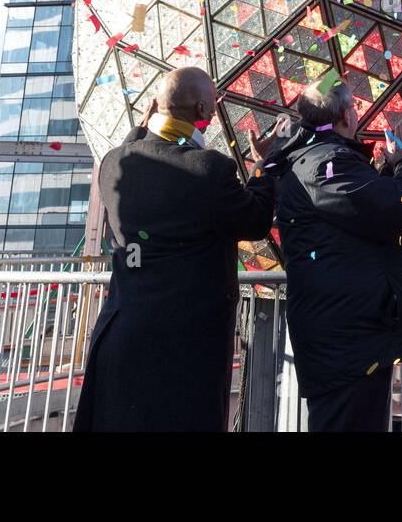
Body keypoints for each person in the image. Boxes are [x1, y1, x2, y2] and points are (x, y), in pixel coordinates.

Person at [74, 66, 282, 432]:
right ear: (205, 111)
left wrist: (141, 127)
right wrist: (264, 168)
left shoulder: (112, 164)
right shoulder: (208, 170)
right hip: (184, 352)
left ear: (155, 105)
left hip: (121, 338)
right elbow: (255, 220)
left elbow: (130, 151)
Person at [271, 77, 402, 432]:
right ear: (346, 115)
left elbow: (363, 213)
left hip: (344, 333)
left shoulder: (316, 159)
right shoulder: (327, 163)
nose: (358, 112)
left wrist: (389, 168)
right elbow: (396, 211)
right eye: (355, 107)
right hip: (349, 338)